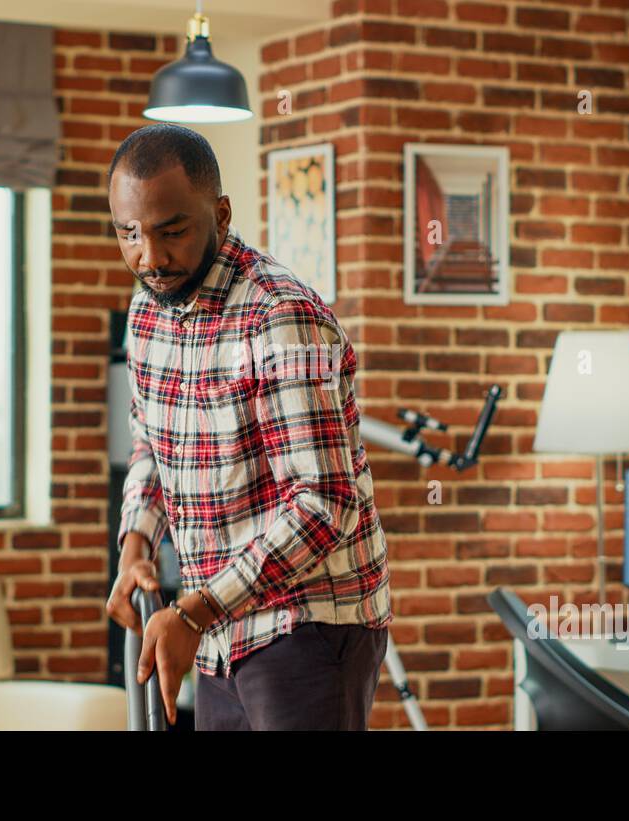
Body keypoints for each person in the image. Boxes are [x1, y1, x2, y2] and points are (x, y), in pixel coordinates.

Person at [104, 123, 392, 731]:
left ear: (222, 214)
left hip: (310, 622)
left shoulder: (279, 317)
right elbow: (153, 445)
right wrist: (136, 542)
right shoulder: (148, 313)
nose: (148, 257)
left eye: (171, 231)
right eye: (129, 234)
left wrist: (192, 613)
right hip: (219, 625)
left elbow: (324, 505)